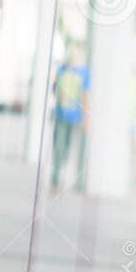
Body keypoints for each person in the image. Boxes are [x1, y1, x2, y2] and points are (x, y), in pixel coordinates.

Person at [49, 43, 89, 194]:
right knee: (62, 148)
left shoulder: (65, 69)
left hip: (68, 115)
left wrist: (86, 117)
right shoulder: (81, 71)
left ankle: (59, 179)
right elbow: (84, 95)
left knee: (63, 148)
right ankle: (57, 180)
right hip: (65, 116)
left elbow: (85, 95)